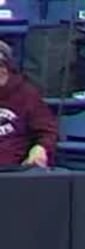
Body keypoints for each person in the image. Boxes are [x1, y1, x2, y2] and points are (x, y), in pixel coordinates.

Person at [0, 42, 55, 170]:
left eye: (2, 65)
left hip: (15, 171)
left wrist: (40, 148)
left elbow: (47, 131)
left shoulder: (26, 93)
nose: (1, 71)